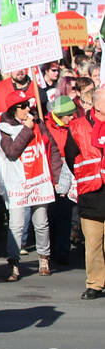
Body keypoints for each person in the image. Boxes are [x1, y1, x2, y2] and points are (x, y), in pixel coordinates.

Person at [0, 89, 62, 281]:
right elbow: (12, 152)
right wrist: (27, 129)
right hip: (17, 184)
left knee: (41, 223)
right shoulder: (4, 129)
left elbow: (52, 148)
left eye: (28, 105)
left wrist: (56, 177)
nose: (27, 110)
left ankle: (43, 258)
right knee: (16, 225)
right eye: (22, 106)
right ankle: (14, 263)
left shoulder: (39, 125)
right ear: (12, 110)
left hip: (37, 180)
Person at [64, 87, 105, 298]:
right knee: (93, 242)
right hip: (91, 193)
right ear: (97, 105)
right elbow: (71, 156)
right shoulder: (77, 126)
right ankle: (95, 284)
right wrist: (86, 174)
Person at [43, 95, 79, 265]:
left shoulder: (74, 127)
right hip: (50, 175)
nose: (72, 117)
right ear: (59, 114)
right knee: (50, 215)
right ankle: (48, 250)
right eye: (69, 115)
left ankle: (62, 250)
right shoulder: (45, 127)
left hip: (69, 173)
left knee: (65, 213)